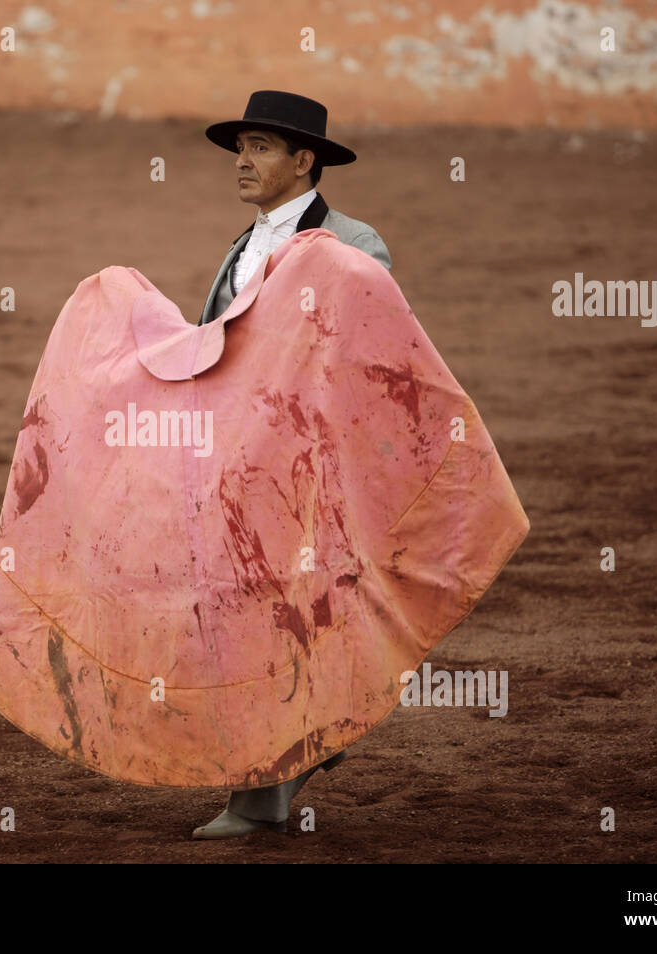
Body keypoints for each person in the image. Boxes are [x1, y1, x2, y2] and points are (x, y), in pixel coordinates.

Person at [191, 89, 393, 839]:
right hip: (236, 468)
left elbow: (371, 355)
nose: (242, 162)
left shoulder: (355, 246)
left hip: (309, 475)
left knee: (282, 626)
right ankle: (310, 747)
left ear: (303, 160)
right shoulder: (241, 247)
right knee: (243, 626)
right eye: (239, 146)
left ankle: (259, 799)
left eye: (260, 147)